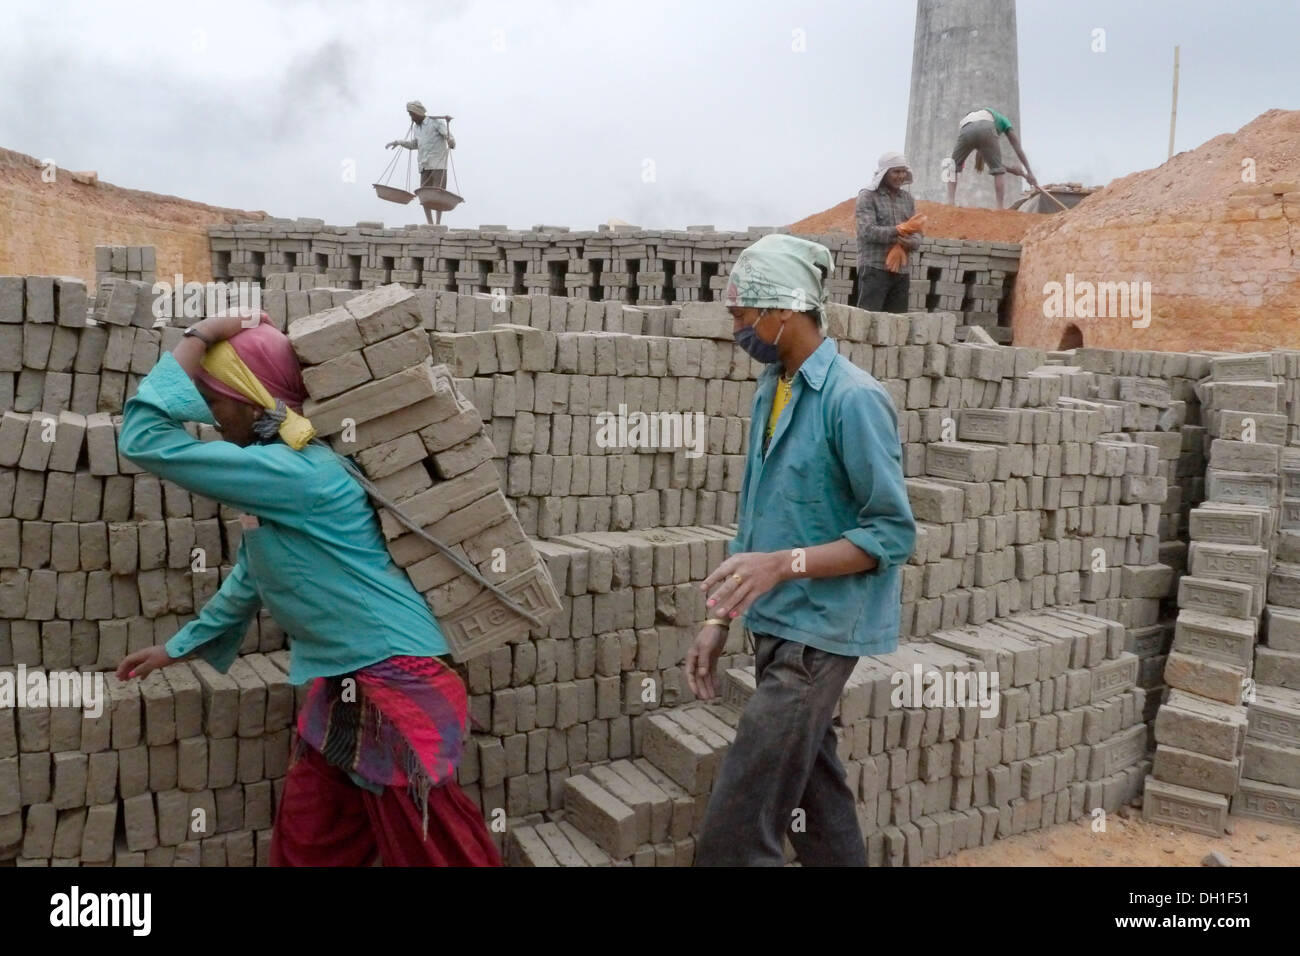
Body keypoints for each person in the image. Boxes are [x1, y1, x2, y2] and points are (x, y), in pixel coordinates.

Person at [115, 310, 500, 867]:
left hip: (394, 677)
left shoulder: (297, 474)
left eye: (216, 403)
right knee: (311, 838)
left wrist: (200, 336)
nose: (213, 420)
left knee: (436, 847)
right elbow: (255, 574)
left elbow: (145, 439)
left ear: (251, 401)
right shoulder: (279, 472)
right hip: (347, 677)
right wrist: (179, 646)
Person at [687, 234, 917, 866]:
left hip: (819, 635)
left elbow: (891, 535)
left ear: (781, 311)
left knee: (738, 823)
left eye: (742, 316)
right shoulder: (774, 386)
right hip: (776, 624)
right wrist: (718, 618)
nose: (737, 329)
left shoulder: (854, 399)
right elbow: (756, 520)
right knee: (817, 798)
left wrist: (783, 566)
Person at [855, 152, 924, 313]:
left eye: (903, 171)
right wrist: (897, 231)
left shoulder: (907, 198)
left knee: (896, 324)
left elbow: (918, 231)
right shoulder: (868, 196)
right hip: (874, 268)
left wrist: (911, 242)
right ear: (884, 173)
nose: (900, 176)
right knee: (868, 320)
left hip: (902, 270)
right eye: (896, 172)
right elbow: (867, 231)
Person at [946, 106, 1039, 209]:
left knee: (951, 167)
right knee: (998, 172)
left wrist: (1013, 170)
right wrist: (1029, 173)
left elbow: (988, 159)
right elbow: (1016, 147)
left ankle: (950, 203)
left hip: (966, 128)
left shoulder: (967, 121)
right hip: (987, 127)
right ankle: (1000, 207)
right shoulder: (1003, 120)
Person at [387, 99, 456, 224]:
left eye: (412, 114)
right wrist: (399, 142)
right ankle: (430, 222)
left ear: (418, 112)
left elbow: (448, 135)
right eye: (410, 114)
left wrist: (451, 141)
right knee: (424, 195)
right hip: (424, 165)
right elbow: (415, 144)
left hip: (438, 163)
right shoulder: (417, 129)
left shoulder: (435, 123)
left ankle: (438, 223)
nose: (411, 117)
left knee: (438, 194)